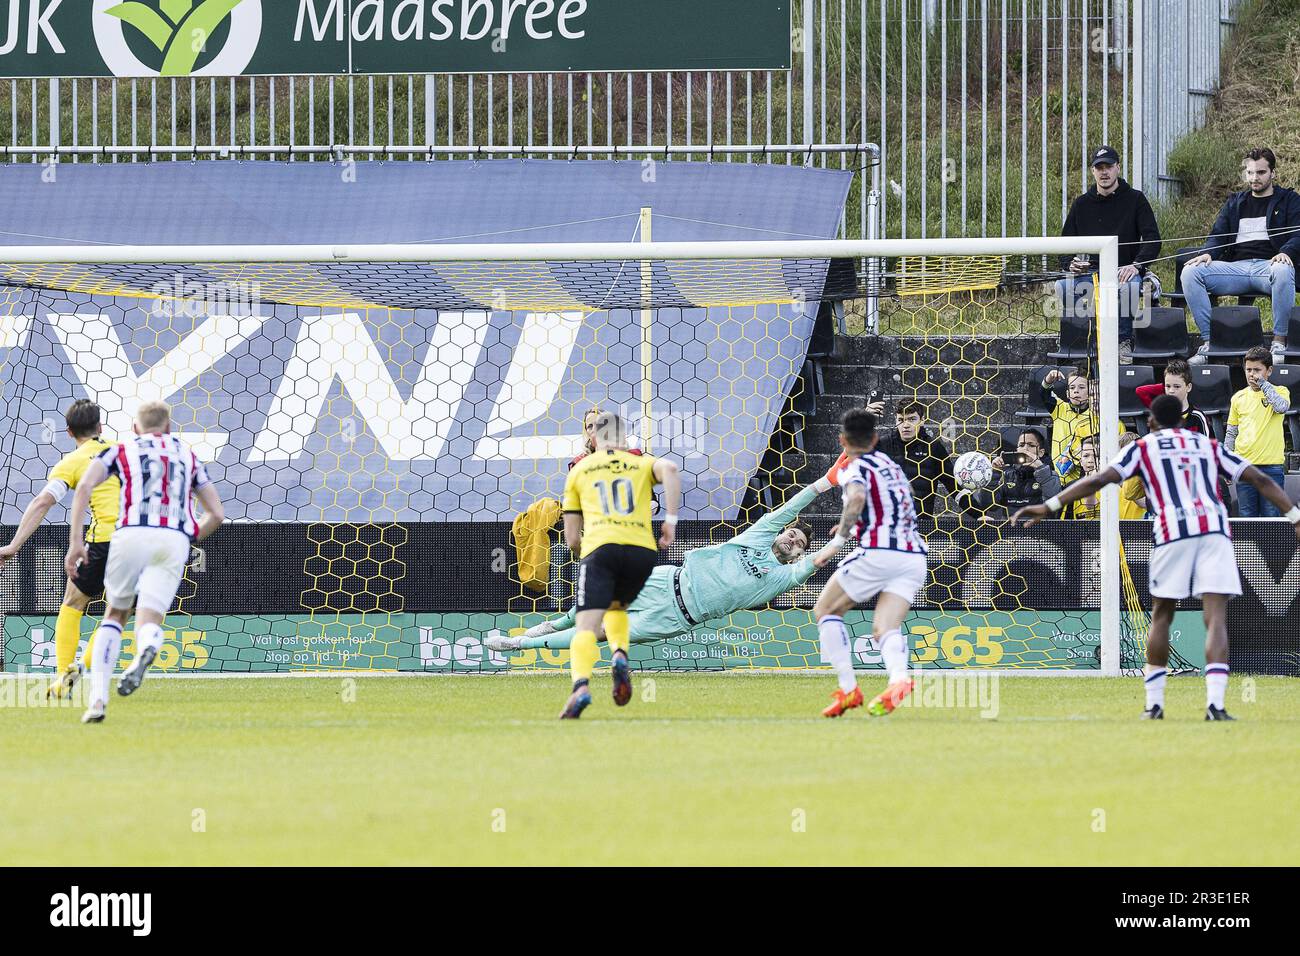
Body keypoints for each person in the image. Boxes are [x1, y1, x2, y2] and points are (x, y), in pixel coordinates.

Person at [1012, 394, 1300, 720]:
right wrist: (1295, 516)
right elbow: (1259, 479)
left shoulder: (1143, 447)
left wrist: (1049, 505)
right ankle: (1216, 706)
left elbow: (1100, 478)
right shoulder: (1207, 445)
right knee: (1215, 617)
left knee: (1162, 615)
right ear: (1182, 418)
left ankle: (1154, 704)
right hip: (1214, 532)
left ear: (1151, 421)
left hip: (1172, 533)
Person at [487, 456, 852, 655]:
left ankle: (519, 644)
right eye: (791, 534)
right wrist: (827, 480)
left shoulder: (782, 577)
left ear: (796, 557)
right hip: (665, 580)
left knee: (599, 633)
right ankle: (554, 625)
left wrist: (843, 536)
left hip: (676, 616)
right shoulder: (757, 538)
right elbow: (789, 508)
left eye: (800, 545)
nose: (793, 540)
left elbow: (817, 563)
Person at [65, 401, 225, 724]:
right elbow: (217, 514)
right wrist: (188, 537)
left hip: (130, 535)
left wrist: (76, 542)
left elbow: (84, 486)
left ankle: (98, 700)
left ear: (136, 428)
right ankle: (146, 647)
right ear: (168, 428)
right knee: (149, 618)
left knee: (115, 613)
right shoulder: (187, 456)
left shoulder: (121, 451)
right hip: (172, 538)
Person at [557, 410, 680, 719]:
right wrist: (670, 521)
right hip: (641, 550)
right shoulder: (640, 462)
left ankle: (581, 687)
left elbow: (572, 538)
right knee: (617, 608)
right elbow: (672, 469)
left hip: (601, 547)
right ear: (625, 438)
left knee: (585, 625)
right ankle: (620, 655)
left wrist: (584, 556)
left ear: (593, 437)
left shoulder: (579, 470)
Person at [809, 409, 928, 719]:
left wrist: (837, 543)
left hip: (878, 553)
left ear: (843, 441)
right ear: (875, 438)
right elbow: (900, 502)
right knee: (884, 628)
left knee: (825, 610)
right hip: (914, 555)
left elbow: (858, 497)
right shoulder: (892, 466)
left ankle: (849, 690)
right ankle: (899, 680)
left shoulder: (853, 468)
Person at [0, 400, 121, 699]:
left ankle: (64, 675)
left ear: (68, 432)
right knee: (118, 612)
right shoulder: (124, 450)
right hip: (138, 538)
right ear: (101, 427)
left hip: (102, 539)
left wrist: (14, 546)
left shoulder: (73, 462)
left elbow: (43, 502)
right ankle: (83, 666)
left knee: (73, 601)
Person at [1183, 147, 1300, 364]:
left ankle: (1279, 343)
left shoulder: (1289, 199)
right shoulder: (1235, 202)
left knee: (1283, 269)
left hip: (1269, 267)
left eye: (1261, 172)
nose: (1255, 178)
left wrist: (1285, 252)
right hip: (1236, 269)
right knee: (1190, 272)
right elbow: (1218, 234)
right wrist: (1208, 252)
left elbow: (1297, 233)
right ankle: (1211, 342)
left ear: (1273, 173)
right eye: (1250, 172)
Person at [1058, 145, 1163, 365]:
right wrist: (1070, 264)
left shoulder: (1135, 199)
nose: (1104, 172)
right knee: (1063, 287)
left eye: (1108, 166)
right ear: (1093, 171)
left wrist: (1137, 265)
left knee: (1130, 287)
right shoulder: (1081, 204)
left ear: (1118, 168)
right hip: (1092, 272)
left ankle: (1122, 341)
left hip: (1124, 269)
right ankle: (1083, 340)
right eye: (1099, 167)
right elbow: (1064, 244)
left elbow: (1153, 239)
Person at [1227, 346, 1290, 516]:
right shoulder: (1238, 397)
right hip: (1244, 466)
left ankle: (1272, 545)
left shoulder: (1281, 391)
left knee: (1272, 517)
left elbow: (1281, 406)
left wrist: (1262, 383)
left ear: (1269, 370)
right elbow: (1231, 432)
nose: (1252, 374)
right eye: (1248, 369)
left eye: (1257, 370)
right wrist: (1227, 463)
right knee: (1247, 517)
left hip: (1272, 467)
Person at [873, 400, 957, 518]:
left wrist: (979, 514)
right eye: (901, 420)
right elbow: (851, 461)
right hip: (887, 526)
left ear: (922, 420)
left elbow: (954, 486)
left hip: (921, 528)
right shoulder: (882, 445)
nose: (906, 425)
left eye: (912, 419)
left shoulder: (933, 447)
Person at [970, 427, 1062, 520]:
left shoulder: (1050, 475)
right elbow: (989, 506)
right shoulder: (1006, 475)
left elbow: (1054, 506)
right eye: (1021, 445)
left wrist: (1041, 469)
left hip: (1039, 529)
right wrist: (994, 473)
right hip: (1009, 529)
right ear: (1017, 449)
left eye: (1031, 445)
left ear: (1041, 452)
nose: (1025, 449)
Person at [1038, 369, 1092, 480]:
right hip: (1060, 476)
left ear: (1090, 391)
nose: (1076, 391)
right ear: (1067, 393)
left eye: (1081, 387)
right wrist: (1048, 381)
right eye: (1072, 388)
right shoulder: (1059, 408)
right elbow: (1044, 394)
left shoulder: (1095, 416)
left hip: (1084, 476)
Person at [1134, 358, 1211, 435]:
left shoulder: (1198, 417)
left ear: (1188, 387)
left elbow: (1208, 445)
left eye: (1177, 386)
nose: (1171, 391)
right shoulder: (1159, 418)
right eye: (1168, 386)